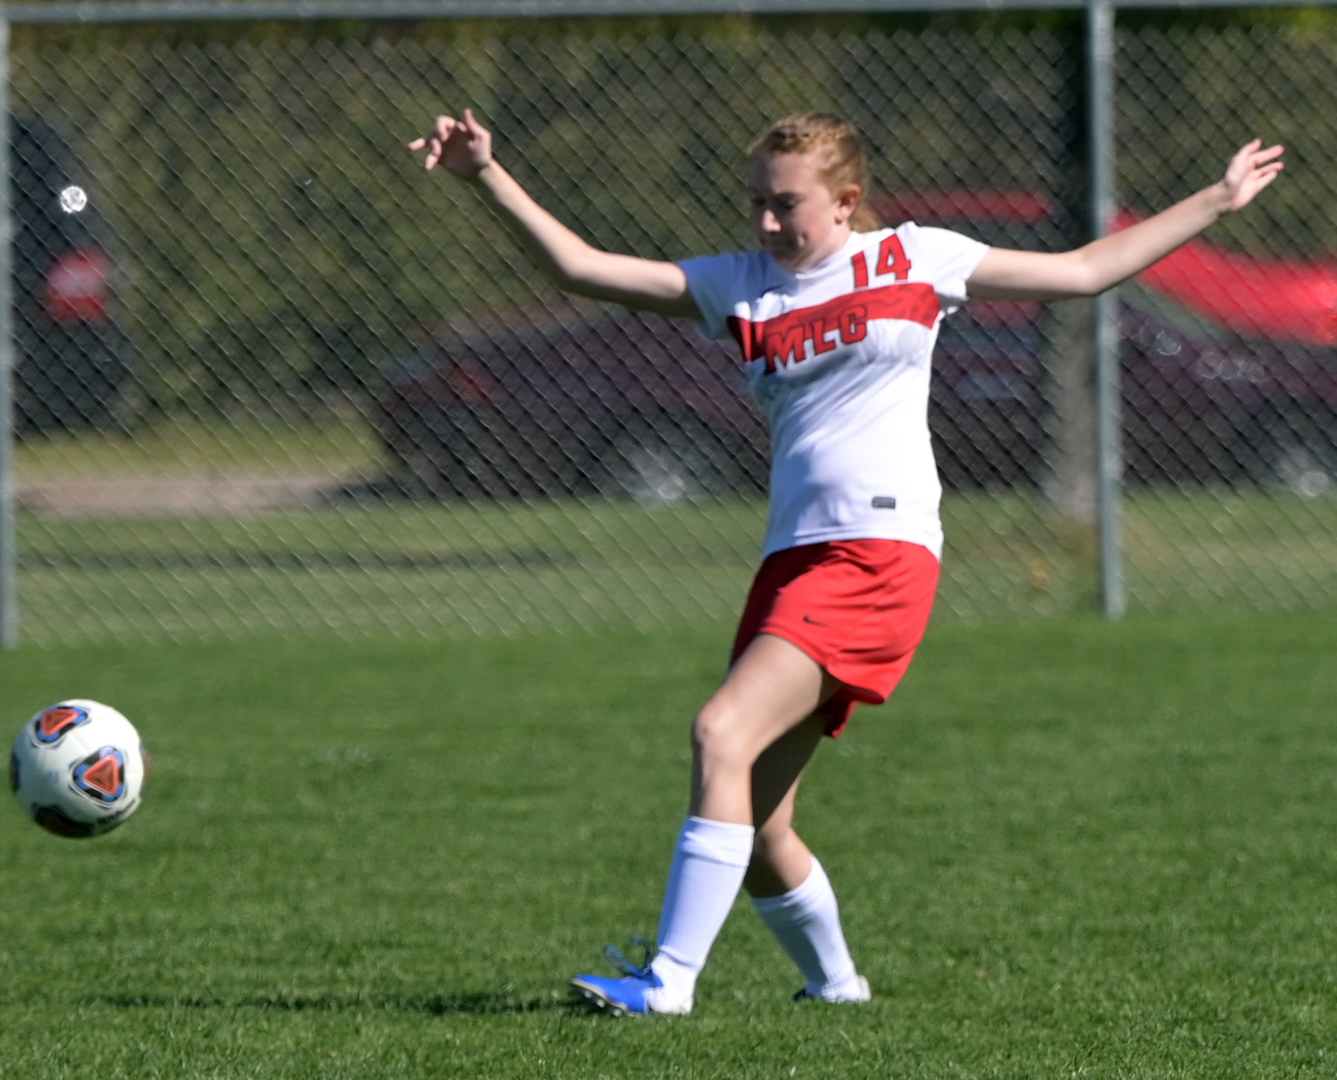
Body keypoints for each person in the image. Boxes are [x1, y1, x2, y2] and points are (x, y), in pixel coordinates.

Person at [409, 108, 1283, 1017]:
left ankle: (668, 980)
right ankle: (836, 987)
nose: (765, 222)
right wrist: (486, 176)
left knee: (720, 733)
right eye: (756, 201)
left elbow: (1084, 271)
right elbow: (581, 269)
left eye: (785, 204)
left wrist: (1216, 201)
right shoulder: (742, 285)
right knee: (756, 821)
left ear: (846, 200)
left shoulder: (914, 259)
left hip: (879, 553)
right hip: (792, 560)